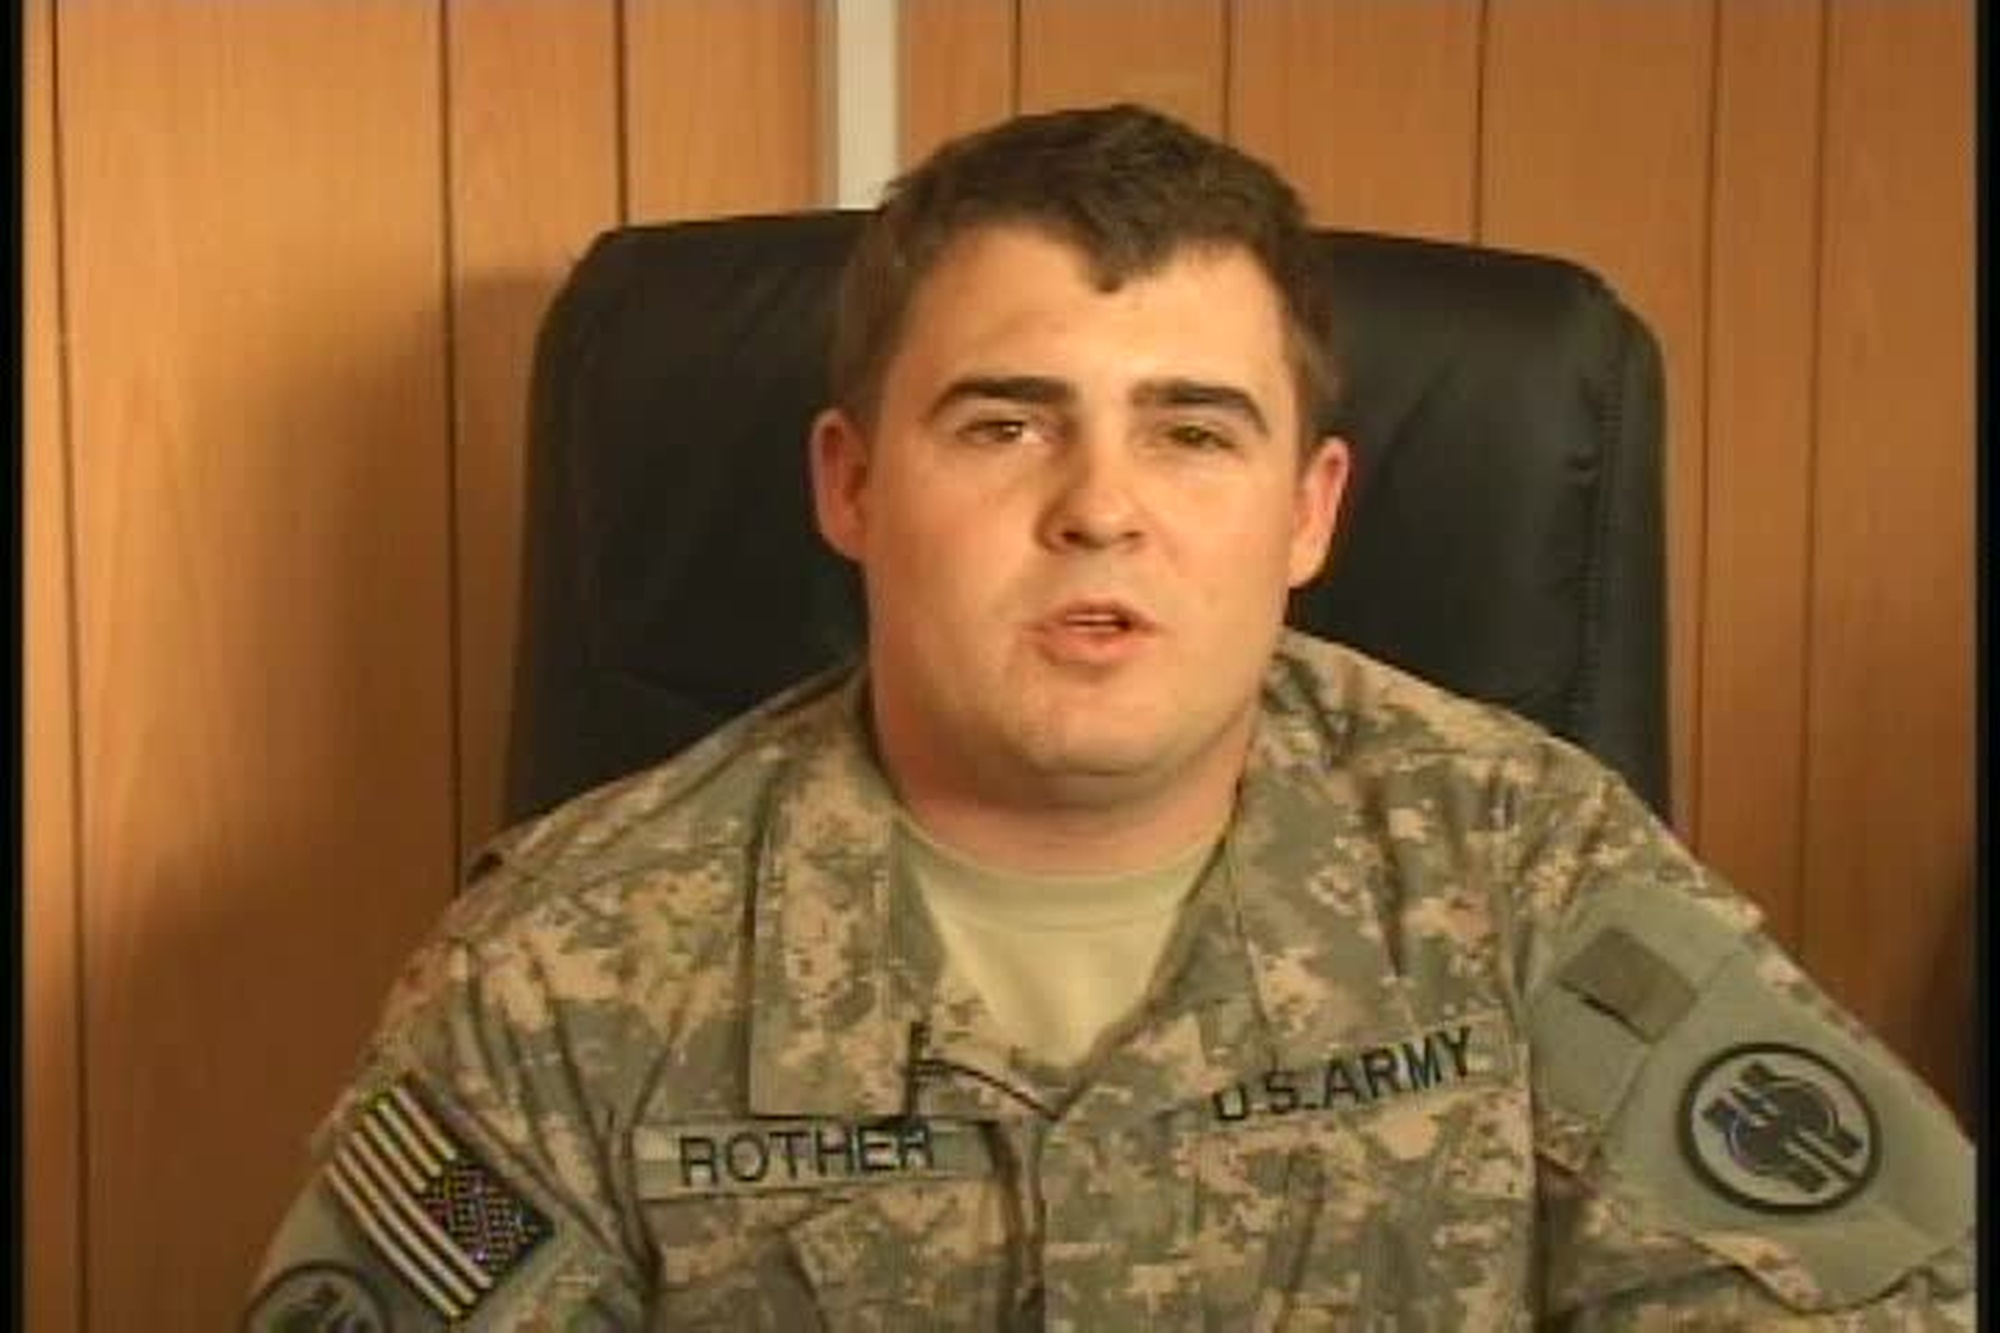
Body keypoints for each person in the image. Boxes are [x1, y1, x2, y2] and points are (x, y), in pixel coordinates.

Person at [244, 104, 1974, 1329]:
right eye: (1005, 425)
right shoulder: (566, 966)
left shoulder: (1528, 867)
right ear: (852, 485)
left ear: (1311, 511)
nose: (1099, 509)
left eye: (1193, 432)